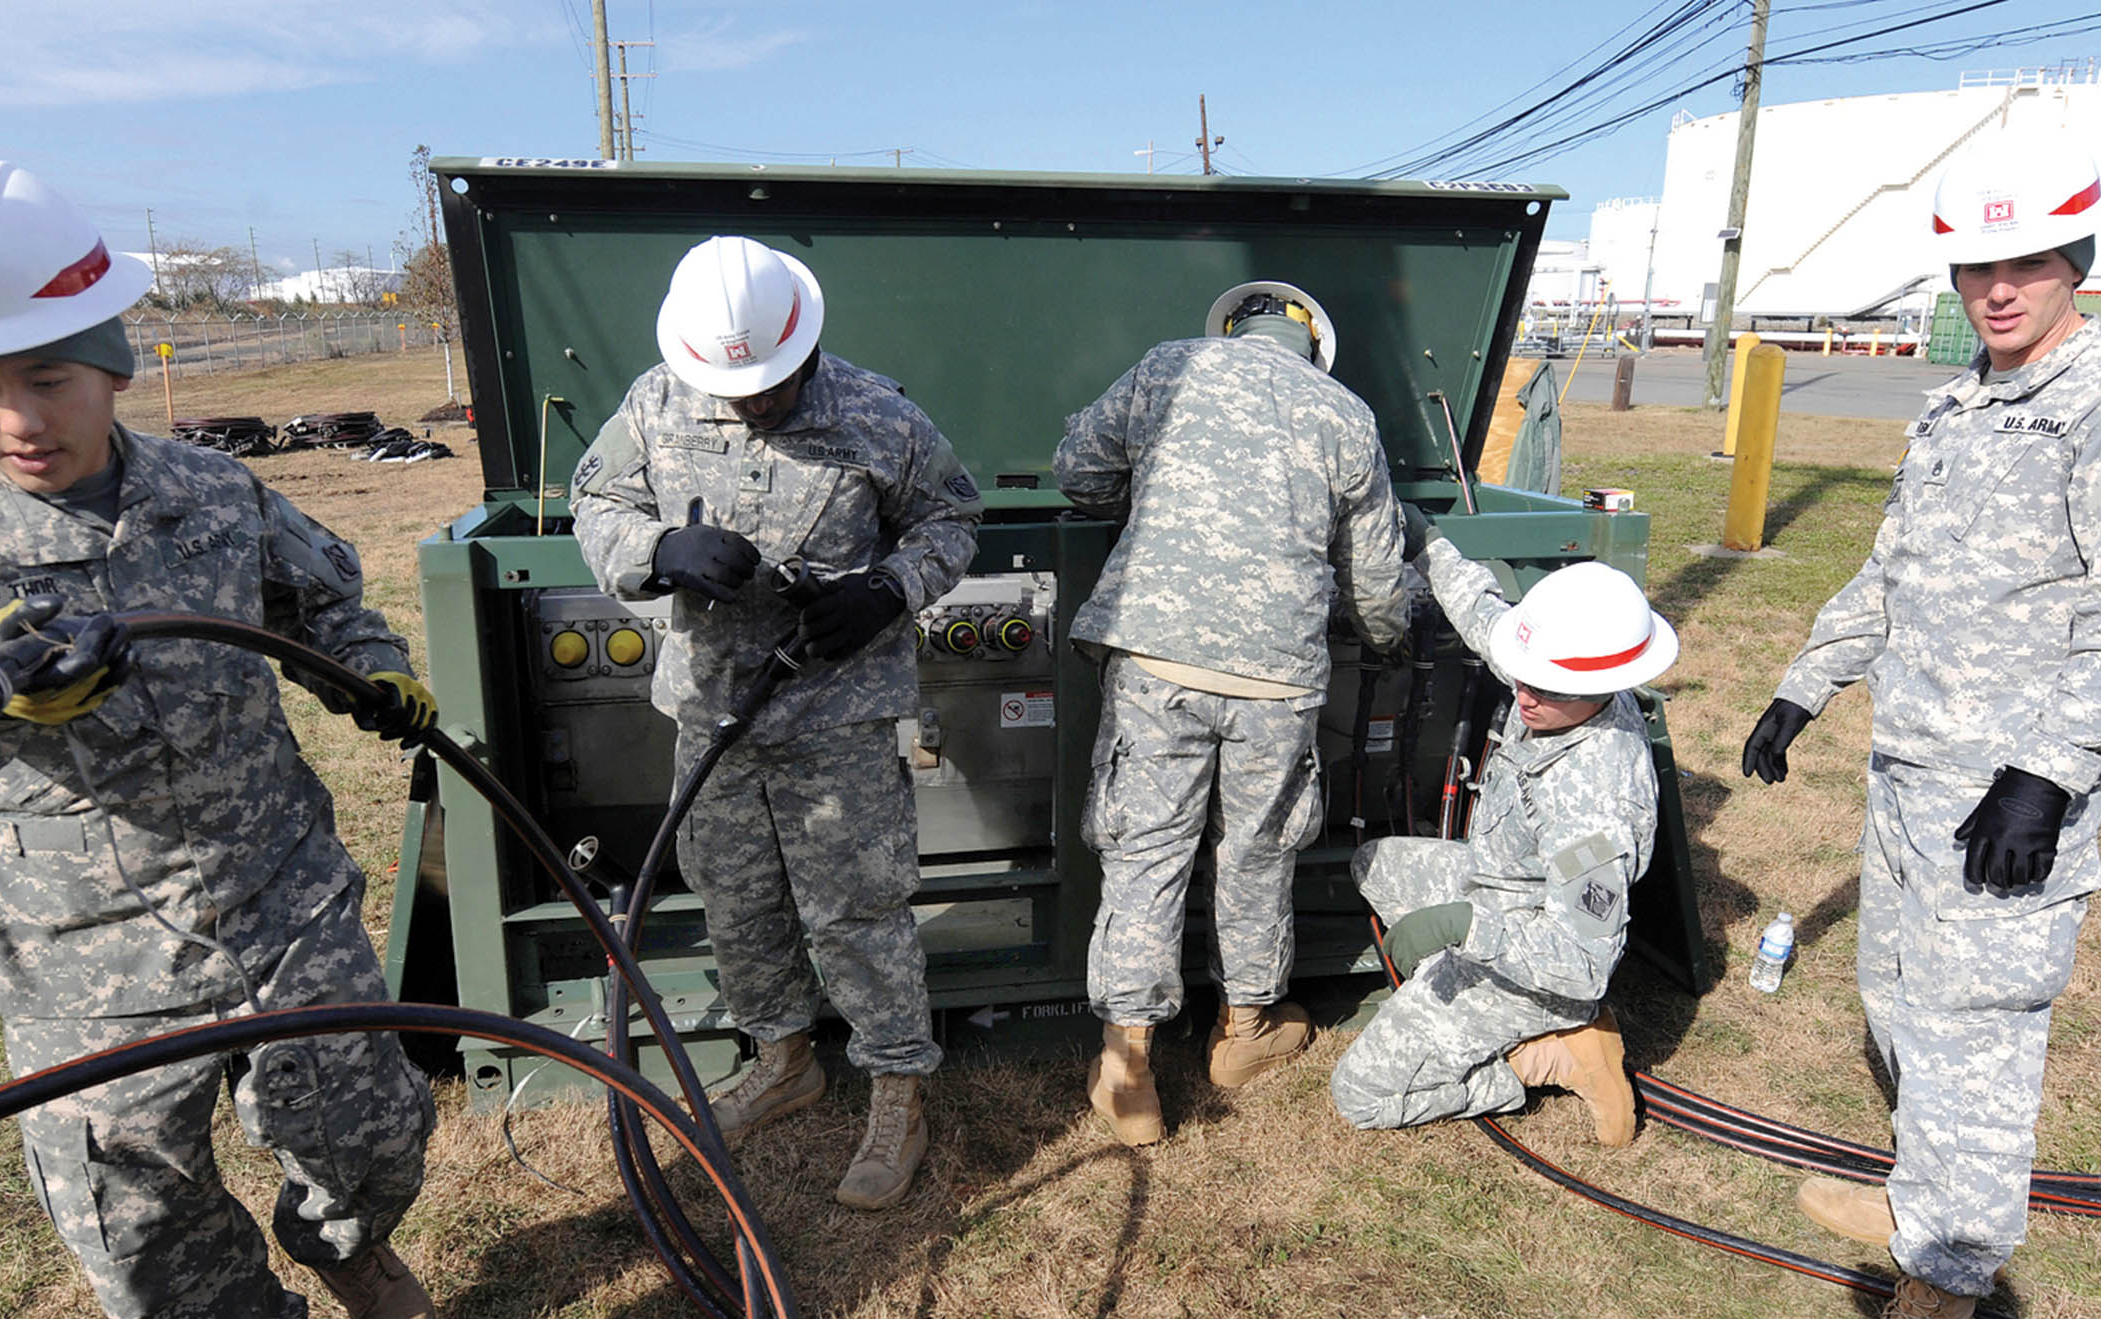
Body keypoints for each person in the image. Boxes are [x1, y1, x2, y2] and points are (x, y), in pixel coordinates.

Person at [0, 156, 441, 1319]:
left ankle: (348, 1239)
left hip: (279, 887)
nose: (14, 417)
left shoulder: (214, 489)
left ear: (113, 366)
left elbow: (324, 593)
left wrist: (371, 672)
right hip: (83, 944)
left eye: (46, 377)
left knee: (363, 1119)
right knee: (126, 1190)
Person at [1740, 135, 2101, 1319]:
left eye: (2027, 265)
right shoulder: (1961, 400)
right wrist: (1810, 679)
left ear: (2077, 260)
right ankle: (1927, 1207)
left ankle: (1944, 1312)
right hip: (1910, 766)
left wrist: (2049, 772)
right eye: (1976, 269)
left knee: (1977, 1037)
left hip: (2007, 797)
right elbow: (1894, 565)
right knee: (1898, 1001)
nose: (1999, 289)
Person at [568, 235, 982, 1210]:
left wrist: (888, 590)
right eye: (735, 386)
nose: (752, 401)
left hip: (835, 717)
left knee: (858, 907)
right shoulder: (656, 402)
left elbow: (953, 520)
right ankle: (783, 1057)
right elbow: (596, 500)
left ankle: (896, 1089)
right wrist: (661, 545)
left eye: (770, 383)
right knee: (737, 900)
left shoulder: (881, 417)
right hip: (713, 712)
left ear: (802, 345)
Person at [1054, 280, 1415, 1145]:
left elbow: (1078, 469)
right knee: (1258, 852)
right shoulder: (1347, 414)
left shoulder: (1166, 368)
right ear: (1312, 347)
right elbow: (1376, 580)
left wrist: (1142, 500)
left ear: (1231, 326)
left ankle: (1129, 1067)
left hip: (1157, 663)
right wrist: (1388, 638)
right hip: (1279, 681)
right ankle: (1245, 1032)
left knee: (1148, 853)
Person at [1328, 532, 1675, 1148]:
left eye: (1545, 688)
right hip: (1499, 883)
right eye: (1523, 677)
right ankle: (1446, 996)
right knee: (1374, 863)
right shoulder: (1557, 675)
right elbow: (1482, 612)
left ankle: (1547, 1055)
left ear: (1604, 681)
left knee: (1359, 1094)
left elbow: (1583, 961)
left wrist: (1466, 928)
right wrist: (1424, 541)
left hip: (1543, 967)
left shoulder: (1592, 806)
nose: (1525, 696)